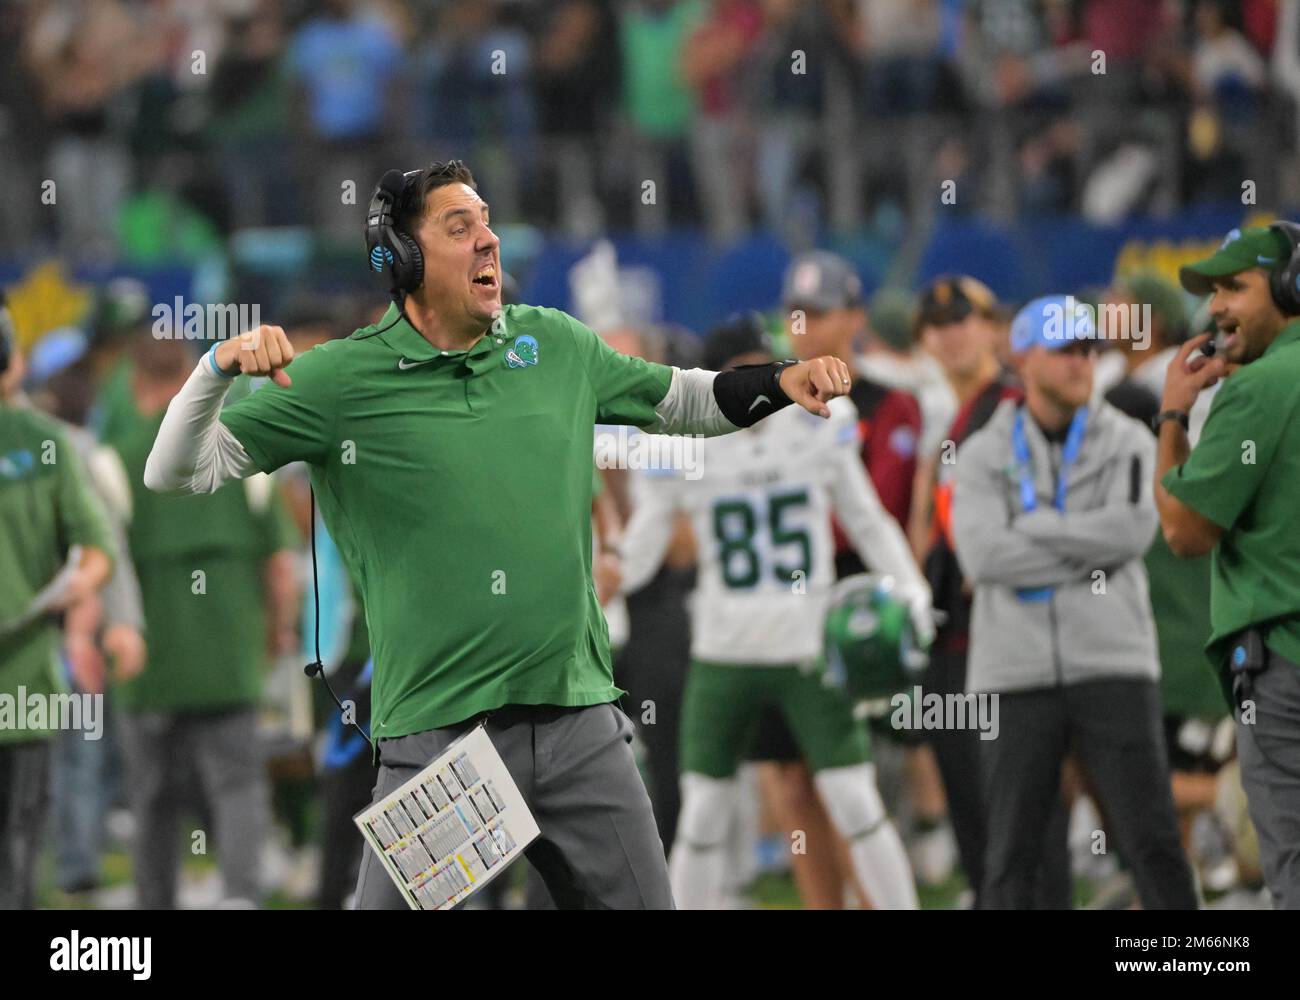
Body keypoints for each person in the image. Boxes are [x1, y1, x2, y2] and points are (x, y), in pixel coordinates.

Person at [143, 159, 856, 910]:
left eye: (486, 223)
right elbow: (176, 472)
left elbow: (680, 400)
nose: (488, 242)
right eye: (460, 228)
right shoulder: (340, 380)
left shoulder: (552, 343)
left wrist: (779, 381)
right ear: (404, 258)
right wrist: (217, 368)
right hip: (445, 740)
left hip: (580, 723)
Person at [617, 313, 929, 909]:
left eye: (761, 369)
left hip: (808, 646)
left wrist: (911, 591)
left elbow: (866, 519)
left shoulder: (818, 423)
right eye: (739, 375)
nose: (755, 386)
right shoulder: (679, 440)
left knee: (856, 803)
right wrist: (596, 585)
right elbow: (643, 547)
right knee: (703, 814)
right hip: (724, 651)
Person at [953, 294, 1197, 910]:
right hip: (1013, 672)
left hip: (1114, 661)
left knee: (1152, 841)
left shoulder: (1131, 441)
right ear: (1022, 359)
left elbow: (1133, 533)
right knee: (1012, 853)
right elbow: (982, 558)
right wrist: (1084, 544)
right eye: (1064, 350)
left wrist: (1034, 527)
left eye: (1089, 349)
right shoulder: (983, 451)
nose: (1081, 362)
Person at [107, 337, 299, 908]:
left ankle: (151, 911)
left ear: (137, 381)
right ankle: (240, 897)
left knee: (152, 801)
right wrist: (275, 637)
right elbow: (281, 570)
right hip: (231, 659)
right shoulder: (241, 458)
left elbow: (103, 570)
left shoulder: (114, 462)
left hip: (146, 667)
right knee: (238, 788)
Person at [763, 251, 924, 907]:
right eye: (795, 313)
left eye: (821, 312)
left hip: (858, 596)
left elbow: (871, 511)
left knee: (851, 778)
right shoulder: (763, 397)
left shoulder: (890, 404)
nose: (804, 325)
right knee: (790, 777)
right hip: (779, 600)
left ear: (855, 317)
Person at [1157, 223, 1300, 908]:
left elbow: (1184, 531)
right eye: (1212, 290)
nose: (1216, 306)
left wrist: (1172, 417)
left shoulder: (1257, 390)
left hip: (1284, 658)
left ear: (1290, 287)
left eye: (1235, 287)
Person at [0, 292, 115, 908]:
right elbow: (97, 552)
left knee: (20, 843)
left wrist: (76, 612)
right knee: (18, 843)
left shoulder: (45, 442)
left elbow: (97, 549)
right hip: (28, 687)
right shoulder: (51, 442)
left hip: (27, 686)